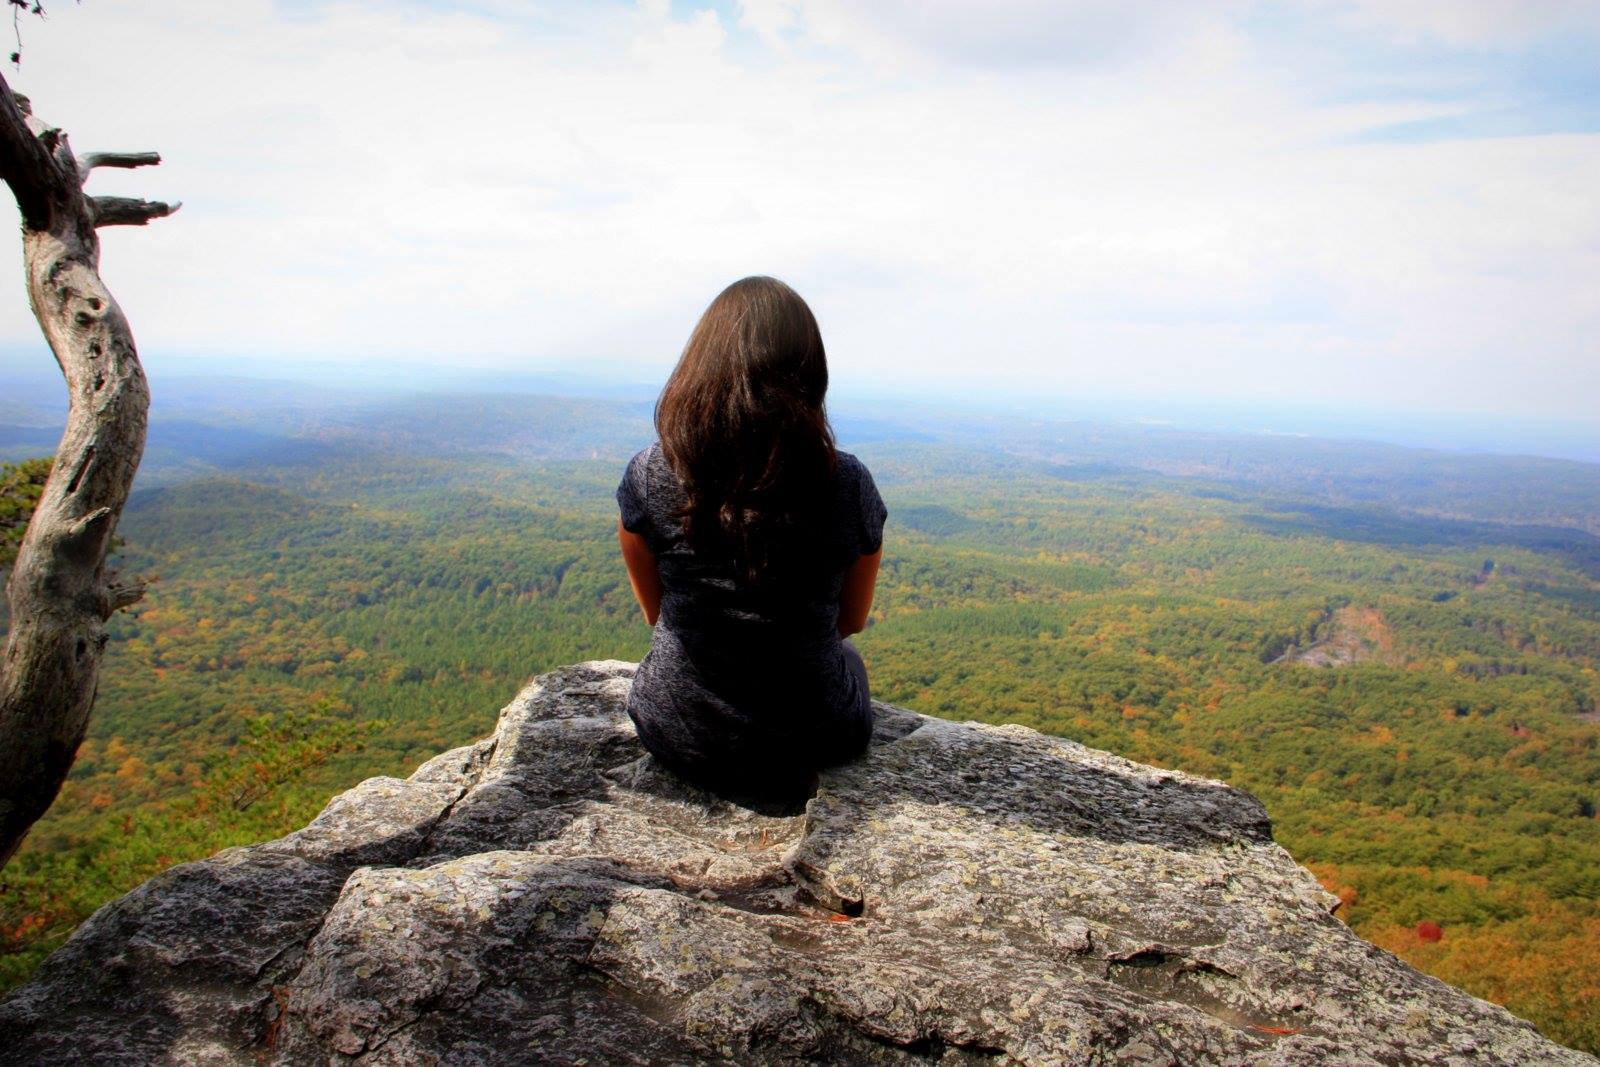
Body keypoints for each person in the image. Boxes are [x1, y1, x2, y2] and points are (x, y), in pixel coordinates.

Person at [615, 276, 886, 800]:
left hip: (679, 730)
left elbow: (656, 613)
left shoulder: (650, 473)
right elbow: (849, 621)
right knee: (847, 661)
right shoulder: (847, 482)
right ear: (809, 373)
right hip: (816, 736)